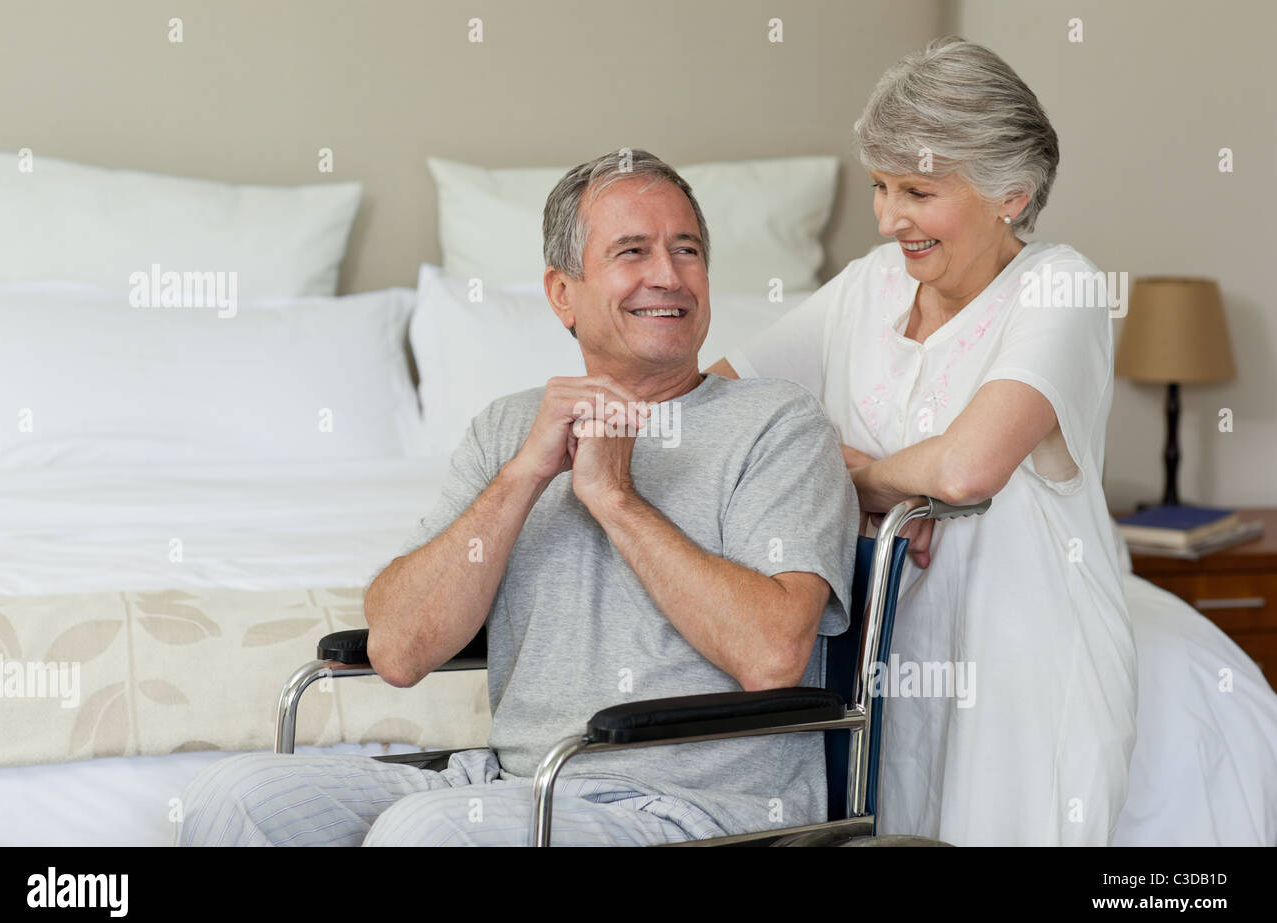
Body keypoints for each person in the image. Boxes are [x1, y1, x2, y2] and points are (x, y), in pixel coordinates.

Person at [176, 149, 859, 847]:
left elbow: (773, 653)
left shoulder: (778, 423)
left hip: (690, 806)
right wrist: (524, 475)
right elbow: (400, 650)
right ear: (563, 293)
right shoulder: (509, 428)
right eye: (633, 251)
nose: (669, 275)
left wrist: (615, 499)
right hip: (515, 783)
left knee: (426, 835)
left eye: (687, 250)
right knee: (235, 799)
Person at [709, 36, 1136, 846]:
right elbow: (717, 404)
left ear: (1010, 192)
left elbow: (969, 467)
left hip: (1025, 679)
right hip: (885, 664)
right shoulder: (870, 284)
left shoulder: (1060, 287)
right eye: (879, 185)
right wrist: (850, 473)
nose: (887, 216)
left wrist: (866, 482)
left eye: (917, 190)